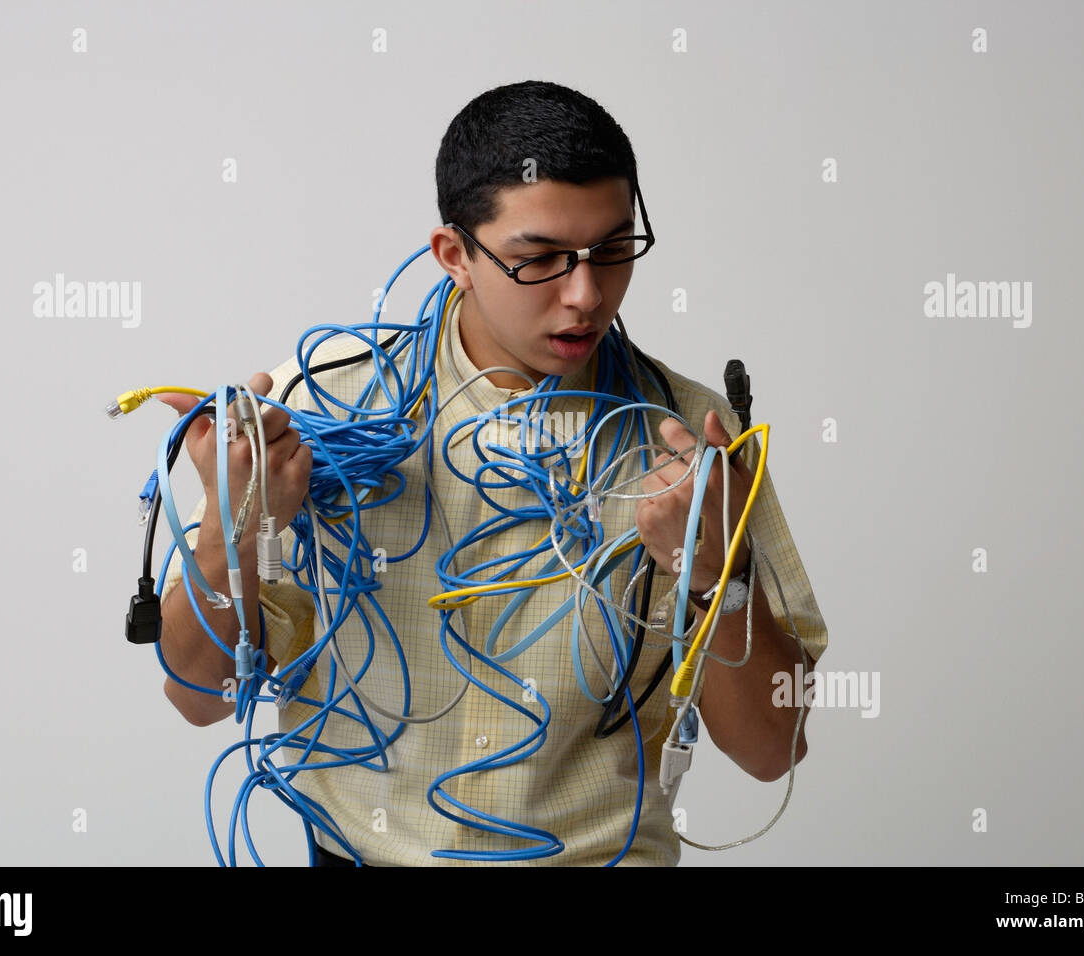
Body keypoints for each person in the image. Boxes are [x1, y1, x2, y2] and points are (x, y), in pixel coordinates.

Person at [155, 80, 828, 866]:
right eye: (538, 260)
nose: (586, 296)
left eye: (611, 252)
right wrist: (227, 531)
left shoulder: (692, 444)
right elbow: (199, 697)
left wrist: (718, 575)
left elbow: (772, 752)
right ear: (455, 256)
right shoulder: (320, 415)